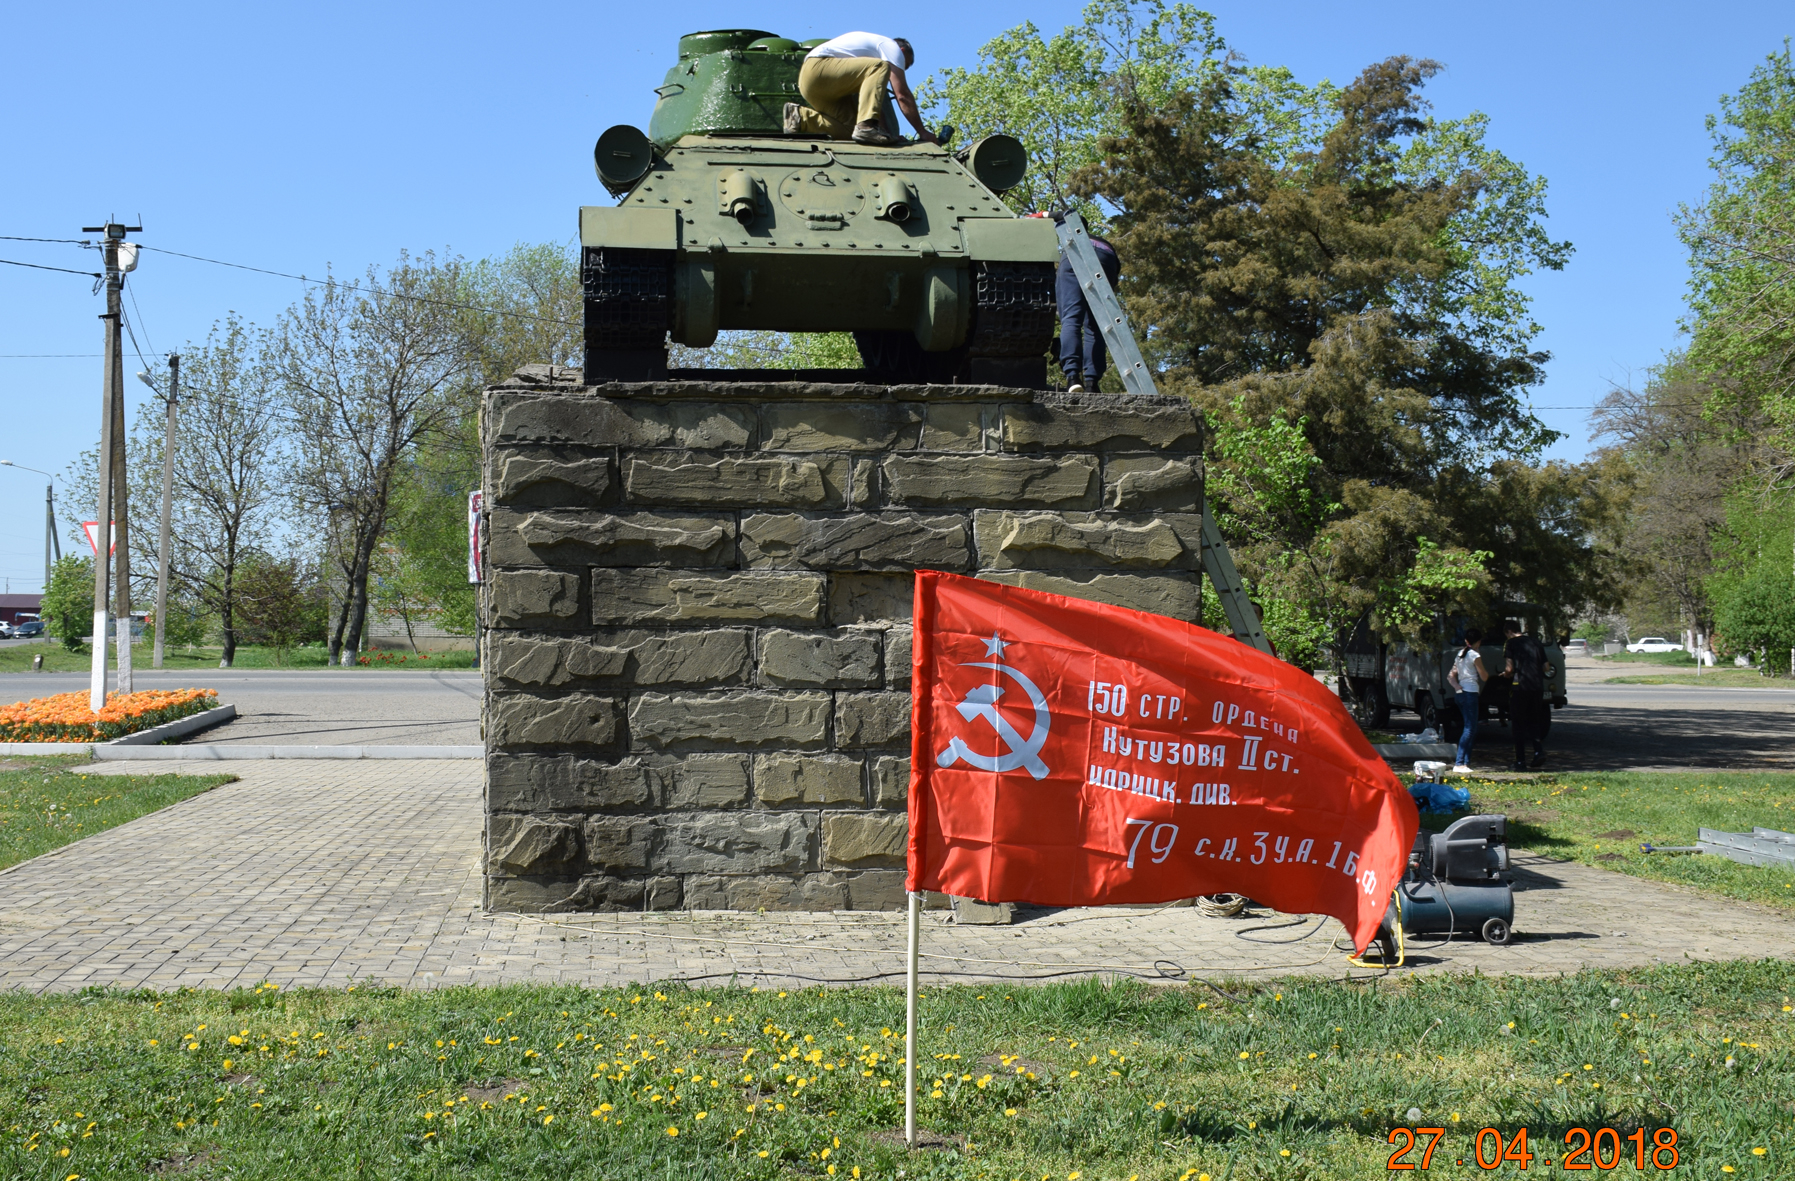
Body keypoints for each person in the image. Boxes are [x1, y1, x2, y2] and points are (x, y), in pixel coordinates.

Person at [784, 33, 938, 146]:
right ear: (903, 52)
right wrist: (922, 131)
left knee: (850, 131)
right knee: (879, 66)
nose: (901, 69)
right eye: (905, 64)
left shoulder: (865, 68)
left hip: (813, 85)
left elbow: (874, 105)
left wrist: (889, 135)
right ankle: (866, 127)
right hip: (818, 68)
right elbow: (902, 95)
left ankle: (801, 117)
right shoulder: (891, 47)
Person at [1055, 229, 1122, 392]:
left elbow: (1060, 216)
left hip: (1075, 254)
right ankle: (1092, 383)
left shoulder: (1072, 241)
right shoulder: (1099, 240)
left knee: (1071, 319)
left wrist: (1040, 215)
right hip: (1108, 256)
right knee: (1095, 324)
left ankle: (1073, 378)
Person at [1502, 619, 1552, 771]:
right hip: (1537, 687)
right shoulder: (1536, 642)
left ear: (1509, 632)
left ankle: (1520, 761)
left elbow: (1509, 669)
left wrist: (1505, 674)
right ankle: (1538, 752)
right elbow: (1546, 667)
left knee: (1518, 725)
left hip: (1520, 687)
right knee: (1534, 721)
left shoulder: (1510, 644)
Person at [1447, 626, 1487, 773]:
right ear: (1479, 642)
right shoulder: (1474, 656)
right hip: (1470, 693)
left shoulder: (1460, 654)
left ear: (1466, 640)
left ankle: (1466, 761)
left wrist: (1457, 687)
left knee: (1471, 727)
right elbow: (1484, 676)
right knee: (1469, 729)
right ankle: (1459, 763)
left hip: (1461, 694)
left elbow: (1451, 675)